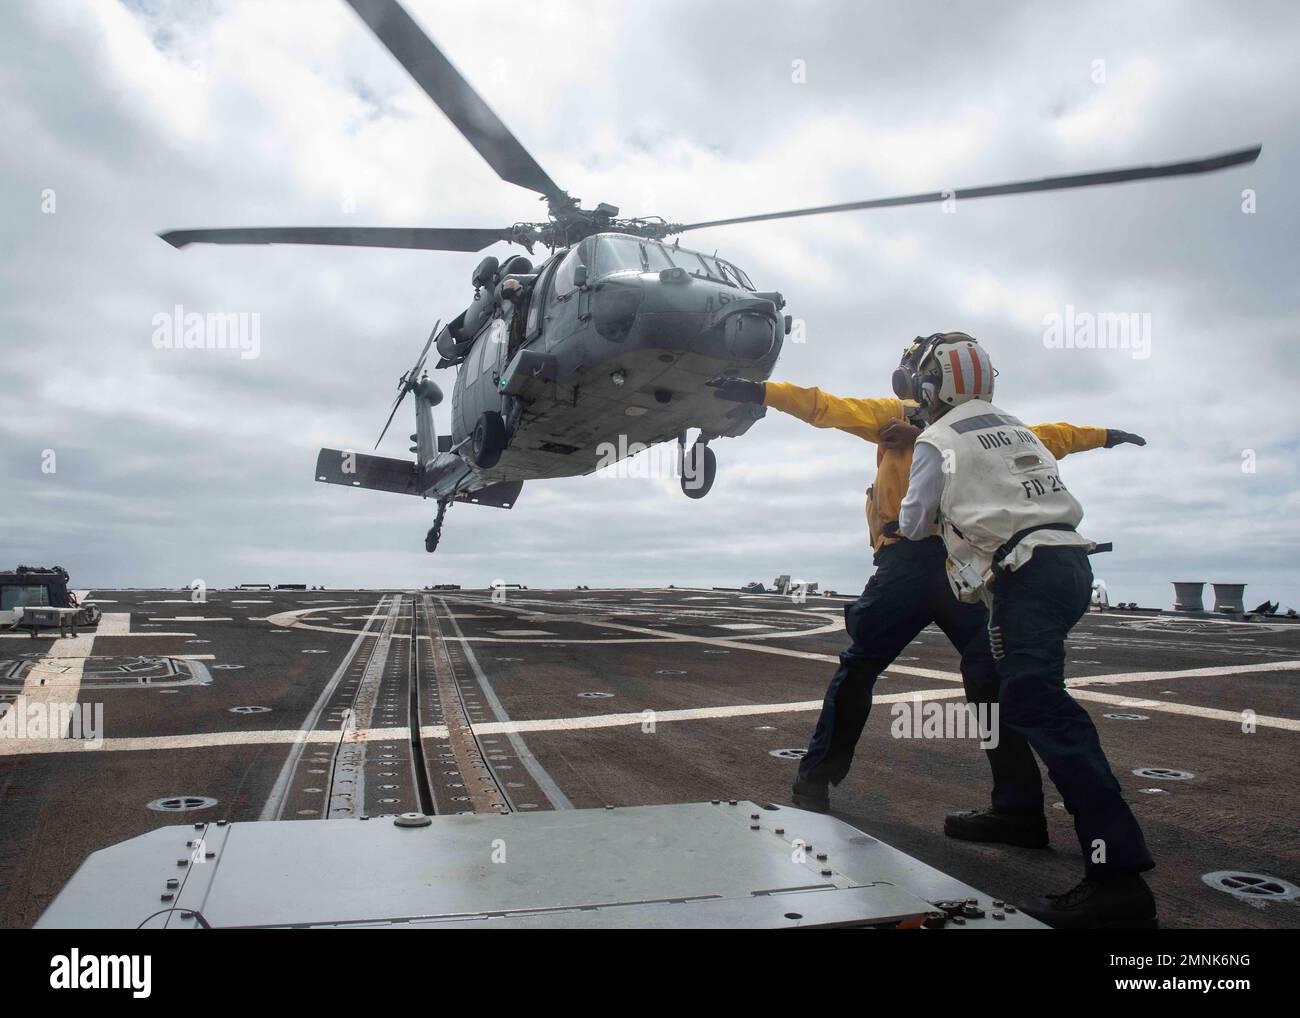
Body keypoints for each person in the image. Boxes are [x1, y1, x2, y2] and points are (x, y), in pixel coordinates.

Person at [707, 356, 1145, 853]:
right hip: (944, 565)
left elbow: (1056, 435)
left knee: (919, 672)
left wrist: (1106, 434)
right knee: (964, 677)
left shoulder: (939, 428)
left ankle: (1013, 811)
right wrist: (761, 393)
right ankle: (827, 784)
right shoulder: (909, 418)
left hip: (942, 559)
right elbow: (819, 405)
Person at [896, 332, 1155, 928]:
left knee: (1041, 706)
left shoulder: (937, 438)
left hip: (1026, 576)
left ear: (929, 386)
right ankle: (1016, 813)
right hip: (1069, 563)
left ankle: (1118, 881)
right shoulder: (1017, 426)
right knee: (990, 676)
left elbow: (913, 525)